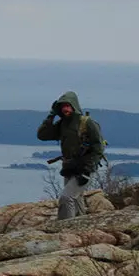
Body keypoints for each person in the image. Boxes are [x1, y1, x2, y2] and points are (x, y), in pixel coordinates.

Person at [37, 91, 106, 220]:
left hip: (84, 168)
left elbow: (98, 147)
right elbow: (42, 135)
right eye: (62, 106)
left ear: (74, 105)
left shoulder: (87, 123)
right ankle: (82, 225)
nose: (65, 109)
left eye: (68, 105)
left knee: (66, 197)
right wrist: (51, 116)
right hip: (69, 167)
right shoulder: (63, 124)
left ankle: (64, 227)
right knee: (75, 198)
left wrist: (88, 169)